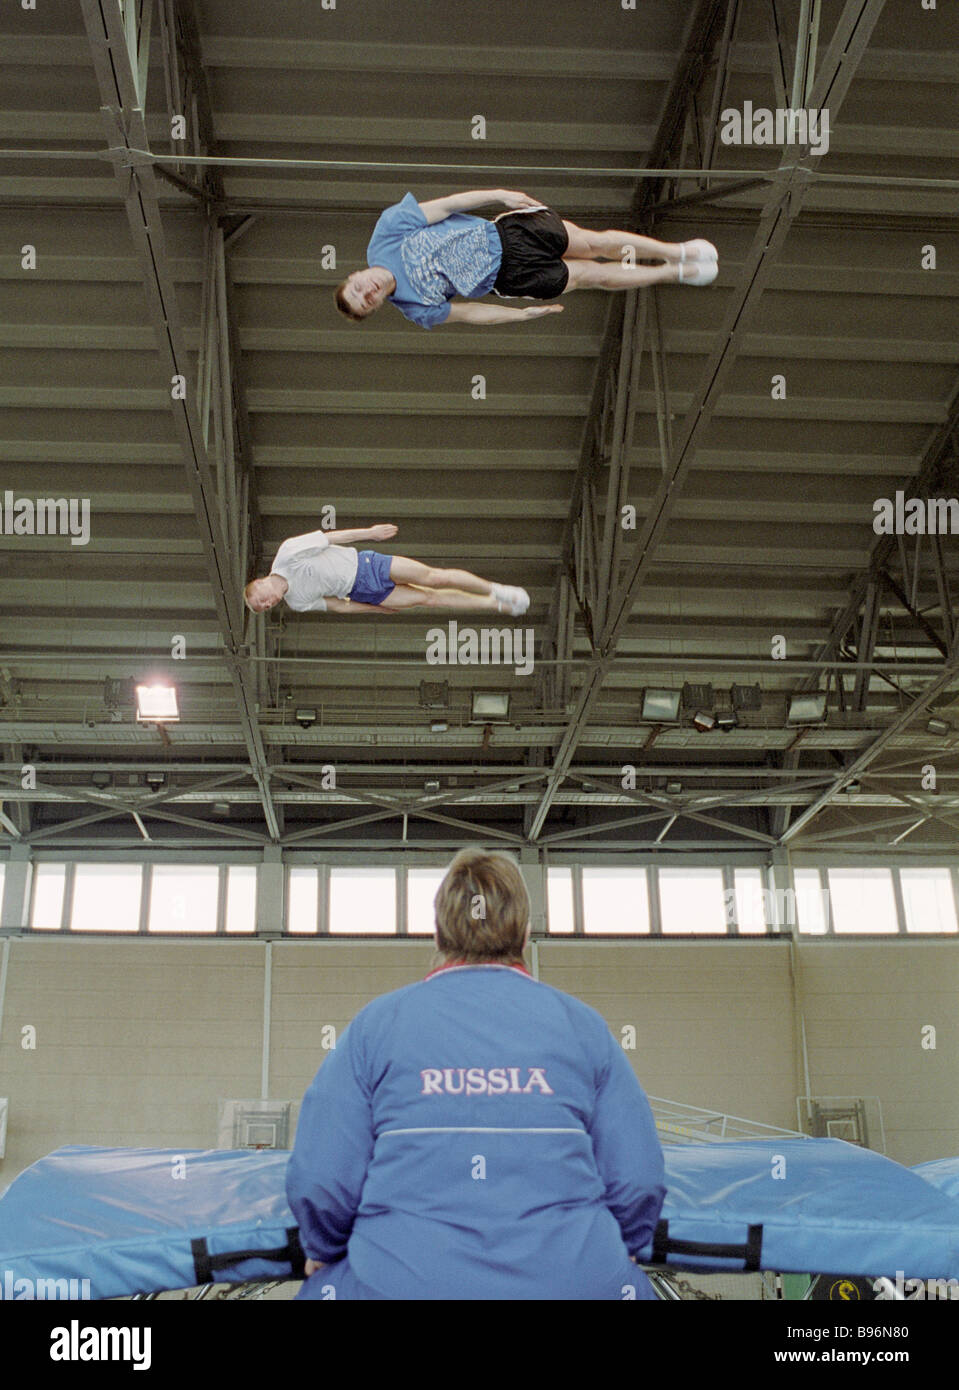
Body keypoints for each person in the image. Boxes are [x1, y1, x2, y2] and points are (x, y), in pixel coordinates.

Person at [286, 848, 666, 1300]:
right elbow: (639, 1179)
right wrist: (626, 1245)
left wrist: (323, 1246)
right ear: (525, 933)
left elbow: (322, 1181)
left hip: (400, 1281)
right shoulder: (583, 1026)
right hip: (574, 1279)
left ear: (438, 934)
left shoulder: (376, 1026)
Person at [334, 187, 718, 328]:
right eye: (367, 302)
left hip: (509, 233)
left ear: (355, 274)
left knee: (593, 243)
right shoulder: (416, 308)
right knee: (590, 276)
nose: (367, 292)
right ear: (378, 306)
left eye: (357, 288)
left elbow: (448, 206)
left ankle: (677, 250)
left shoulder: (388, 231)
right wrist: (519, 316)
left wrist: (499, 194)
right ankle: (673, 273)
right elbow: (470, 313)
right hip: (510, 277)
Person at [244, 522, 530, 617]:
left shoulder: (288, 553)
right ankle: (497, 605)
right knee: (429, 599)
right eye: (265, 607)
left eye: (262, 598)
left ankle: (496, 588)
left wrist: (370, 532)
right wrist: (375, 609)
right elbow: (340, 606)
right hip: (360, 591)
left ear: (261, 581)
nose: (269, 603)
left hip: (368, 564)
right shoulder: (296, 603)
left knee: (435, 578)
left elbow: (331, 537)